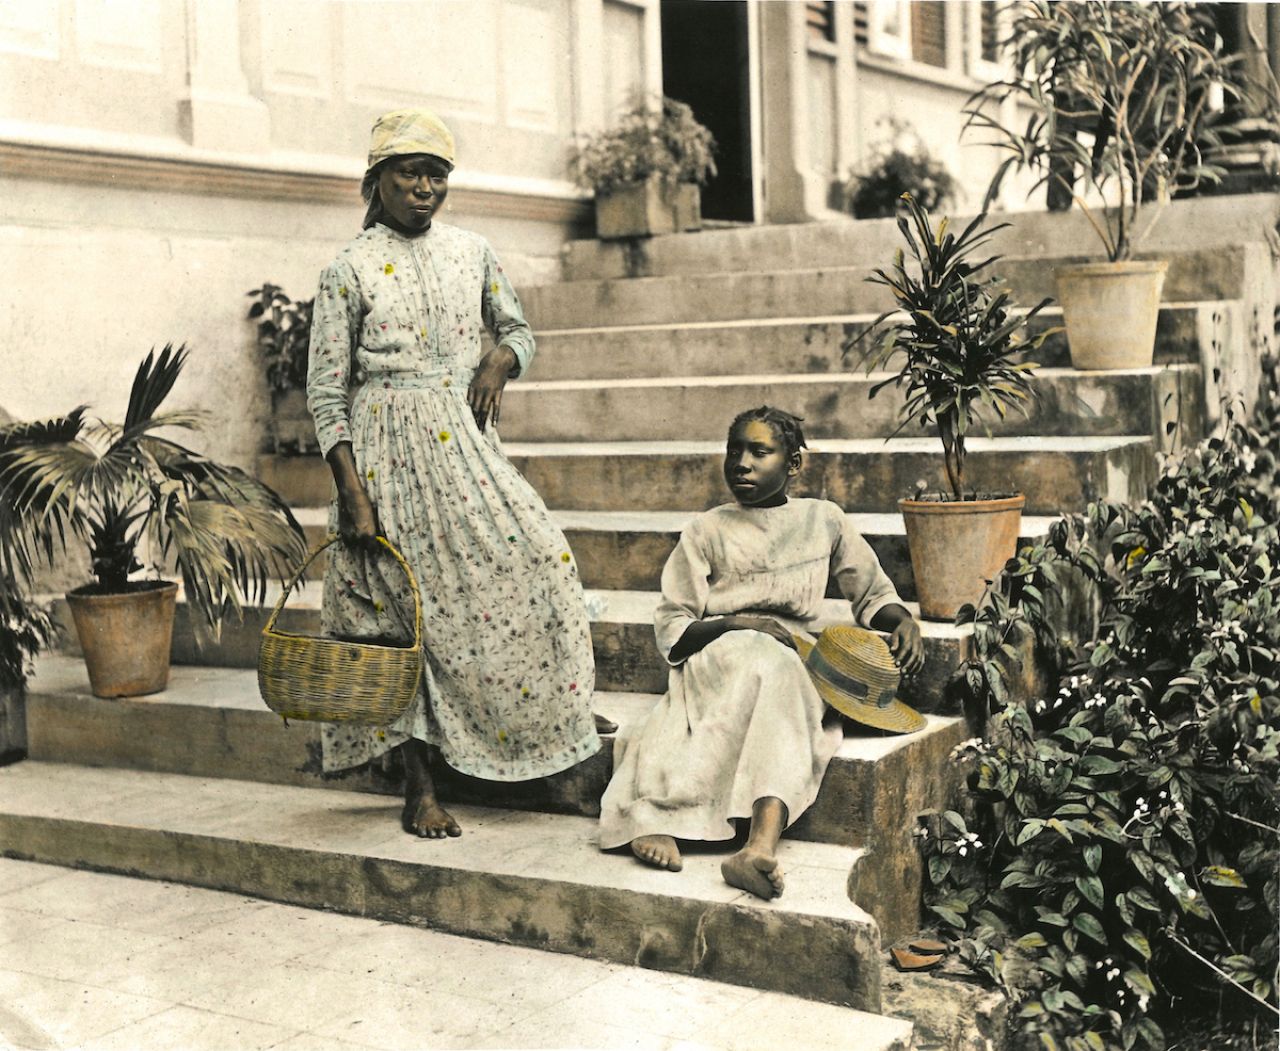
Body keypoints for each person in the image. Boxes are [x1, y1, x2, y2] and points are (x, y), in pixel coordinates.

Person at [306, 107, 604, 839]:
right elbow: (325, 388)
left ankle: (547, 727)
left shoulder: (473, 251)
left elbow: (520, 329)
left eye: (438, 174)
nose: (426, 188)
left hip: (465, 447)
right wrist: (351, 489)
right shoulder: (346, 269)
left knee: (541, 557)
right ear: (377, 180)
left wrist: (502, 360)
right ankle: (419, 783)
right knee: (405, 611)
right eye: (411, 173)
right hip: (384, 454)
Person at [597, 406, 926, 900]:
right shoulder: (707, 530)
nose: (742, 464)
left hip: (796, 655)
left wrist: (902, 621)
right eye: (735, 451)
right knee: (767, 664)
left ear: (793, 464)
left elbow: (871, 594)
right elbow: (673, 625)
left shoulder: (824, 519)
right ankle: (723, 830)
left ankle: (754, 850)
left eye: (759, 451)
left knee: (783, 671)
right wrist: (739, 622)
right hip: (722, 649)